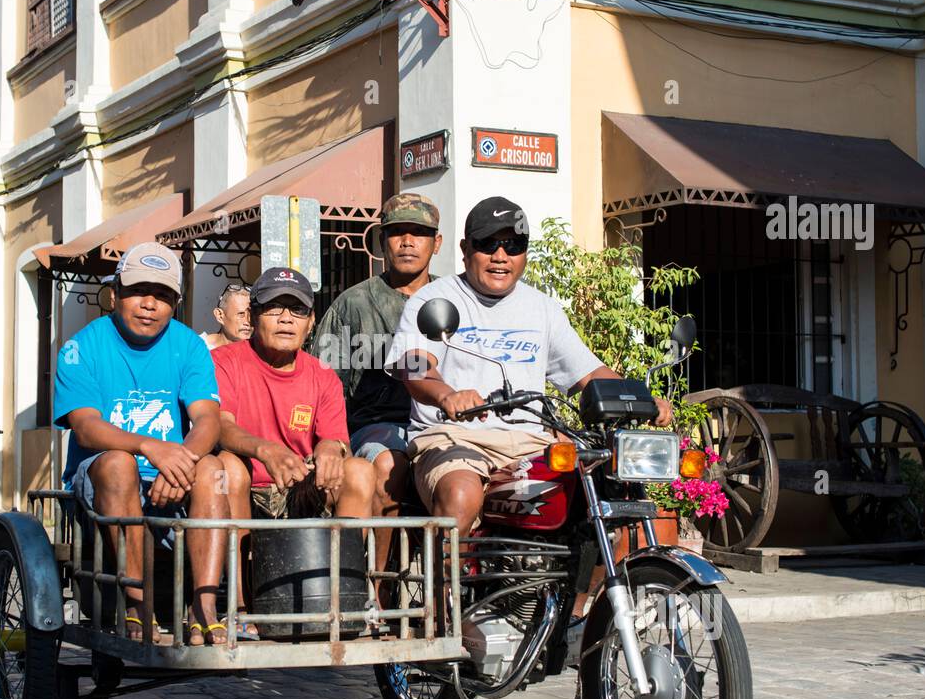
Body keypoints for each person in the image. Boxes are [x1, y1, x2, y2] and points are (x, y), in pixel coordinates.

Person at [386, 197, 673, 550]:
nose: (501, 255)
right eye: (488, 243)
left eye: (513, 245)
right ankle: (449, 604)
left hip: (531, 444)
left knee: (606, 504)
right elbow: (413, 364)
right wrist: (446, 394)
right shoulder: (435, 299)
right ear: (465, 249)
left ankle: (577, 606)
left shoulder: (542, 309)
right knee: (460, 495)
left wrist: (639, 398)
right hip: (452, 438)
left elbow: (588, 372)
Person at [55, 242, 231, 645]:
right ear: (114, 294)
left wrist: (182, 460)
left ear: (177, 303)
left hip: (173, 471)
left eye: (164, 296)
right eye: (138, 291)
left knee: (214, 469)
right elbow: (85, 428)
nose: (150, 304)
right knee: (119, 462)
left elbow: (207, 419)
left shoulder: (189, 346)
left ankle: (204, 604)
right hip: (102, 477)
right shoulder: (81, 348)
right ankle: (137, 601)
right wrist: (152, 448)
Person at [214, 268, 375, 637]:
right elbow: (221, 425)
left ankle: (342, 598)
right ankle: (241, 607)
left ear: (311, 321)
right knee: (227, 466)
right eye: (274, 308)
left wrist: (330, 449)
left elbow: (335, 437)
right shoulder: (226, 361)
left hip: (300, 488)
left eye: (297, 310)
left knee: (360, 471)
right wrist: (264, 450)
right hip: (247, 488)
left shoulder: (323, 375)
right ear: (253, 316)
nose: (286, 319)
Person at [312, 193, 442, 601]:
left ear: (435, 243)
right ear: (381, 241)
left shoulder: (455, 298)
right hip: (377, 427)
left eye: (419, 233)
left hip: (445, 425)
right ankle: (379, 591)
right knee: (390, 462)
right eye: (397, 233)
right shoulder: (353, 303)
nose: (407, 241)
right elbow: (326, 383)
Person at [200, 282, 253, 350]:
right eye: (241, 314)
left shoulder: (260, 352)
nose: (248, 321)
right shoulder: (195, 349)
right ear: (220, 316)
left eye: (252, 315)